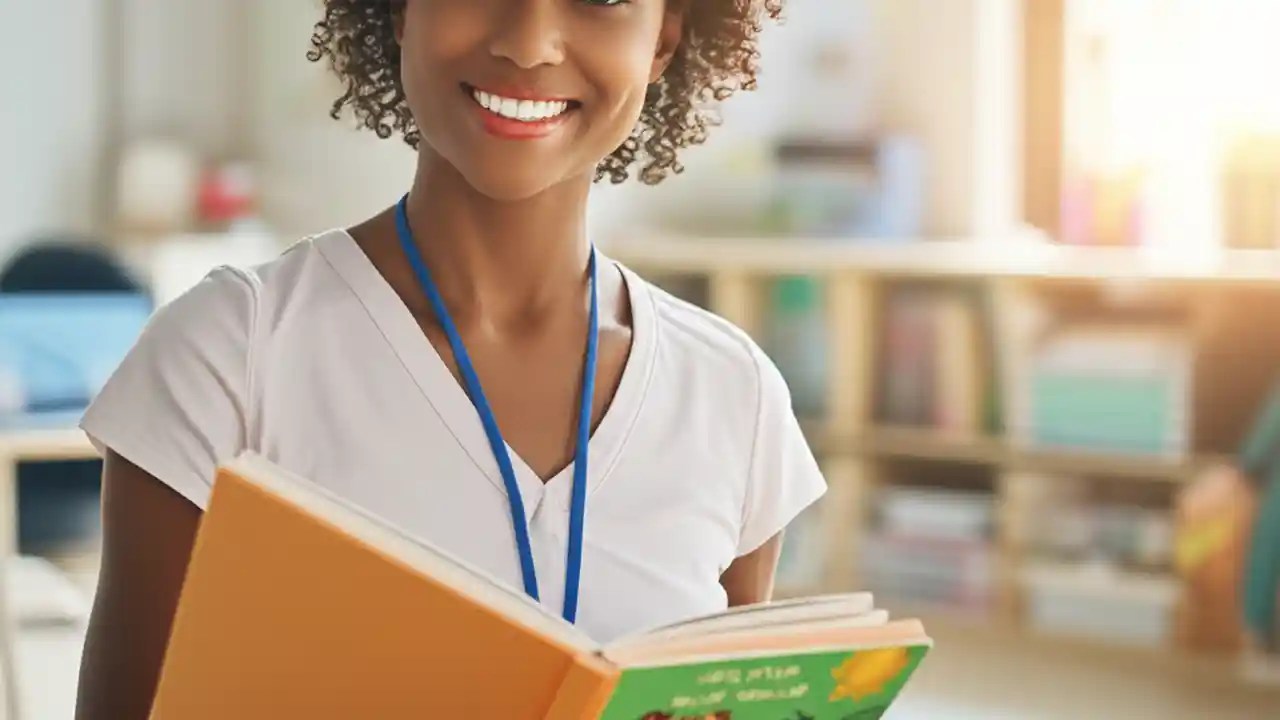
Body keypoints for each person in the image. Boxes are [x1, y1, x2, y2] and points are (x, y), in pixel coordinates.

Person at [75, 0, 823, 717]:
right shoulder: (230, 358)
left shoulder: (734, 396)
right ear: (401, 8)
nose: (529, 42)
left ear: (665, 36)